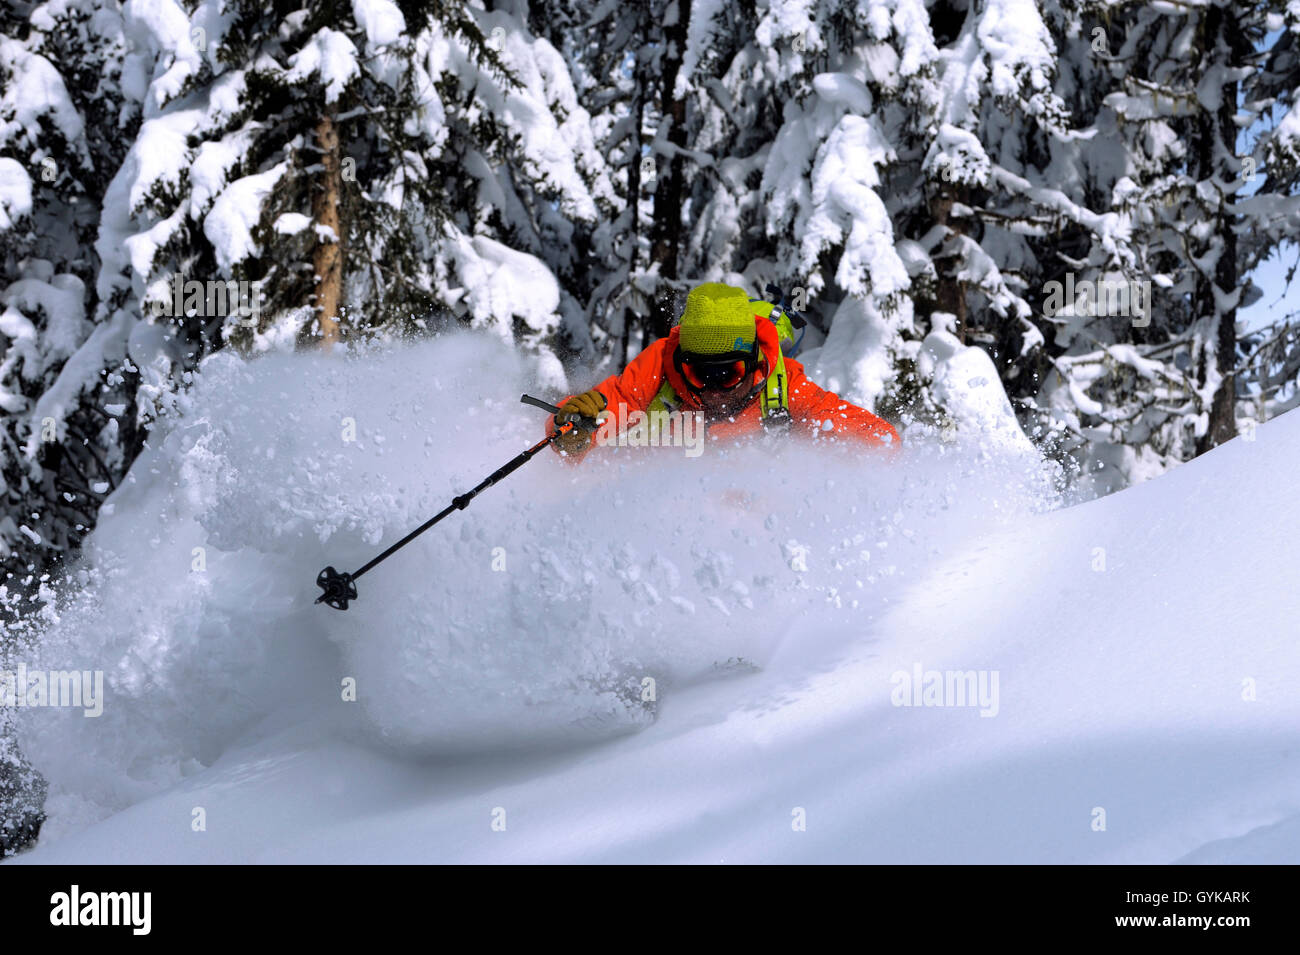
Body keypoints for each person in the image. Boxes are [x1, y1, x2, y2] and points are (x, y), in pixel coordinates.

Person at [549, 282, 899, 457]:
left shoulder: (785, 385)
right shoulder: (659, 368)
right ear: (683, 364)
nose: (714, 390)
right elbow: (592, 415)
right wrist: (572, 432)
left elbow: (881, 440)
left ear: (754, 363)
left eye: (727, 374)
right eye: (701, 375)